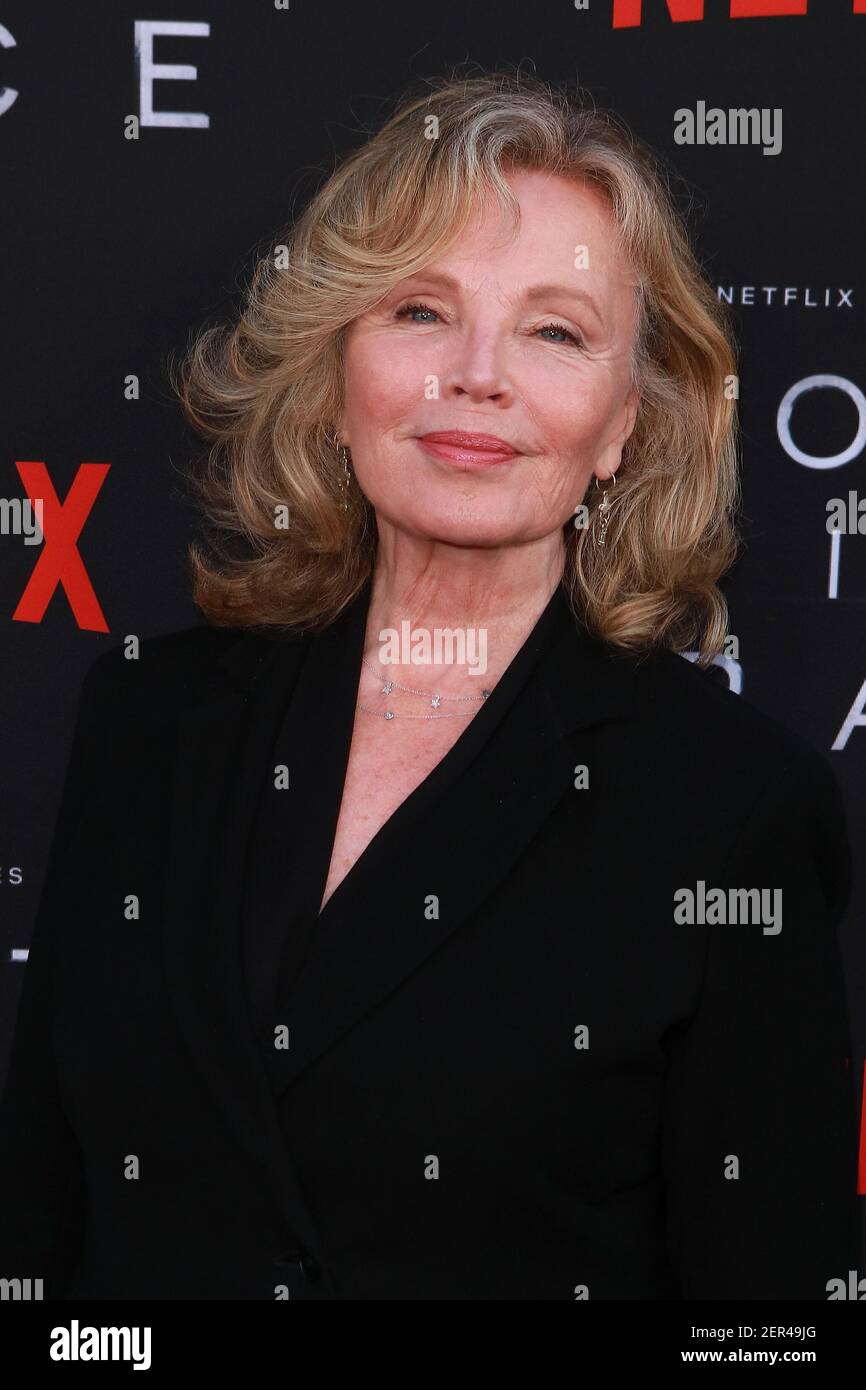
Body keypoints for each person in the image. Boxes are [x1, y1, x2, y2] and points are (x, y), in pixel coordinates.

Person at [0, 70, 857, 1301]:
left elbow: (766, 1312)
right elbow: (41, 1215)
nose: (476, 376)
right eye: (419, 311)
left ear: (623, 422)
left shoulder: (728, 808)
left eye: (554, 330)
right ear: (337, 368)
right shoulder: (148, 719)